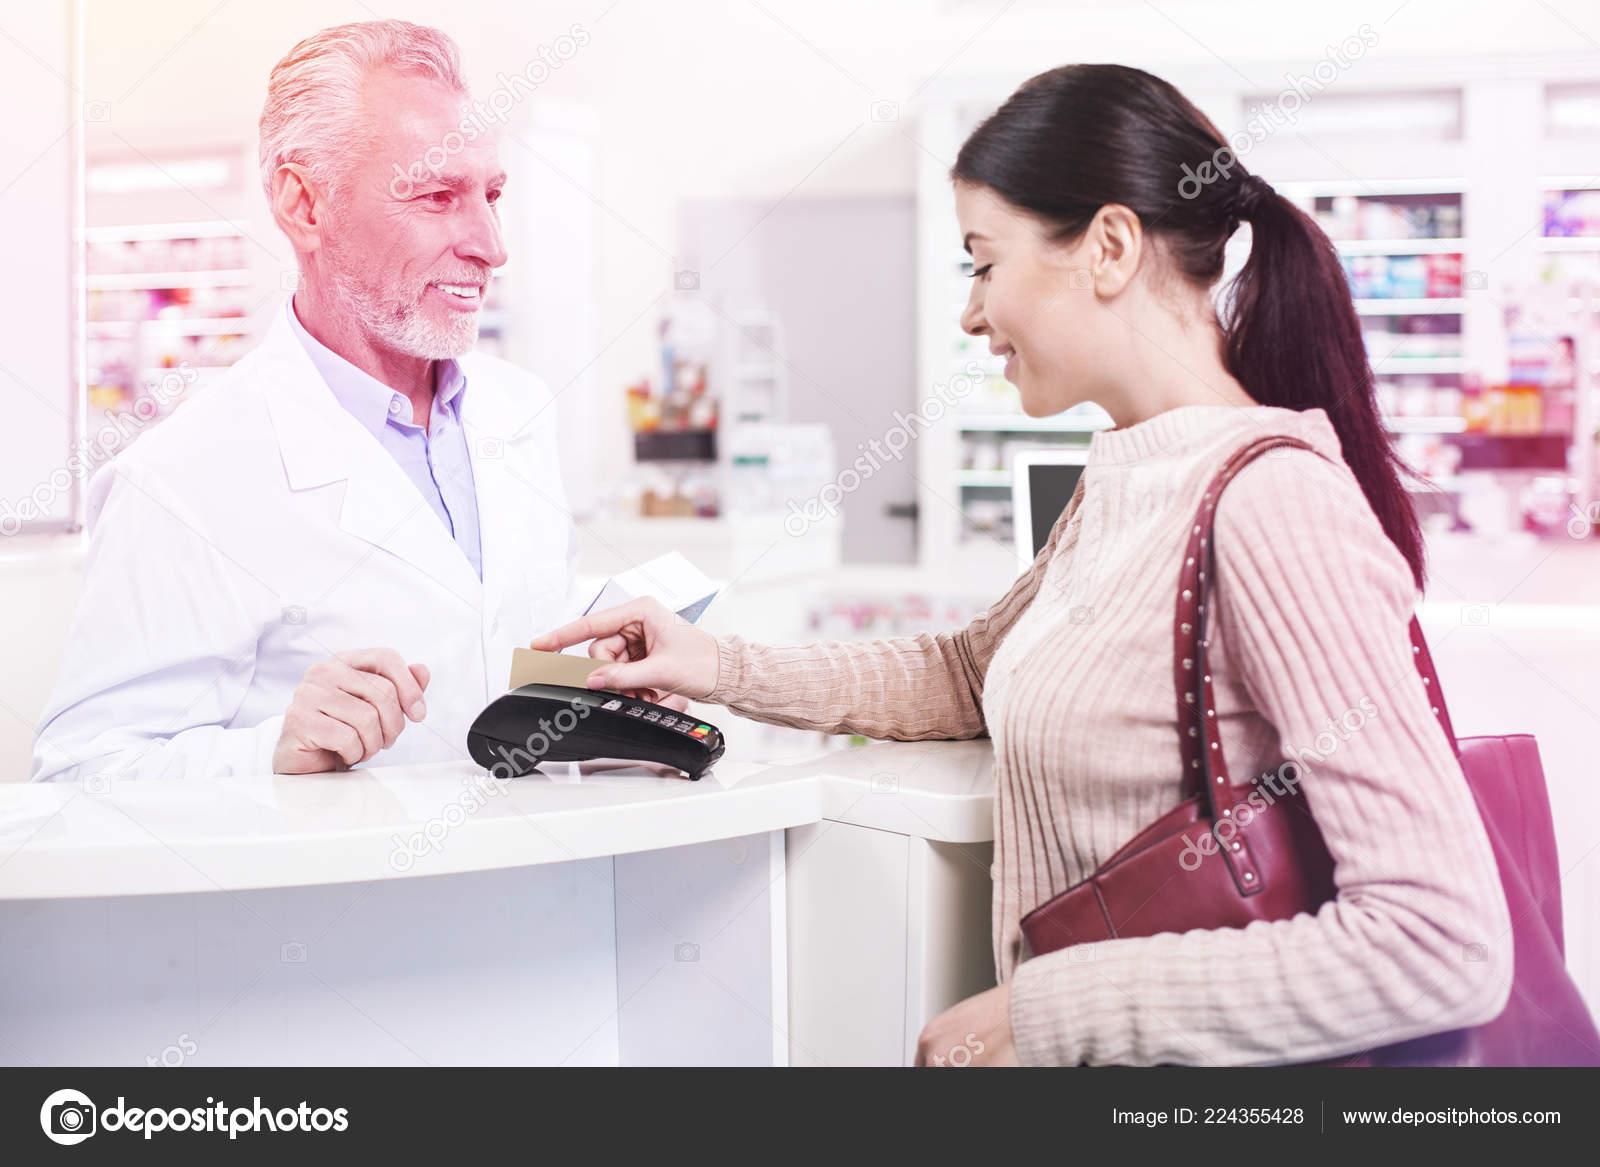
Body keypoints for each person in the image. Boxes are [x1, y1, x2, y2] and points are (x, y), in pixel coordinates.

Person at [530, 64, 1513, 1066]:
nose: (970, 313)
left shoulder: (1272, 504)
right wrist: (717, 666)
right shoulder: (1129, 478)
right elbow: (967, 673)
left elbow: (1441, 941)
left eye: (982, 263)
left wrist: (1052, 1010)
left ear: (1109, 247)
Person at [33, 21, 591, 782]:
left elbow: (508, 658)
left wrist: (594, 693)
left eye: (490, 194)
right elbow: (80, 770)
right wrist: (273, 750)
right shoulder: (180, 480)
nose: (492, 245)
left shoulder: (518, 412)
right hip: (360, 902)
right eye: (437, 196)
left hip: (555, 888)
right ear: (305, 205)